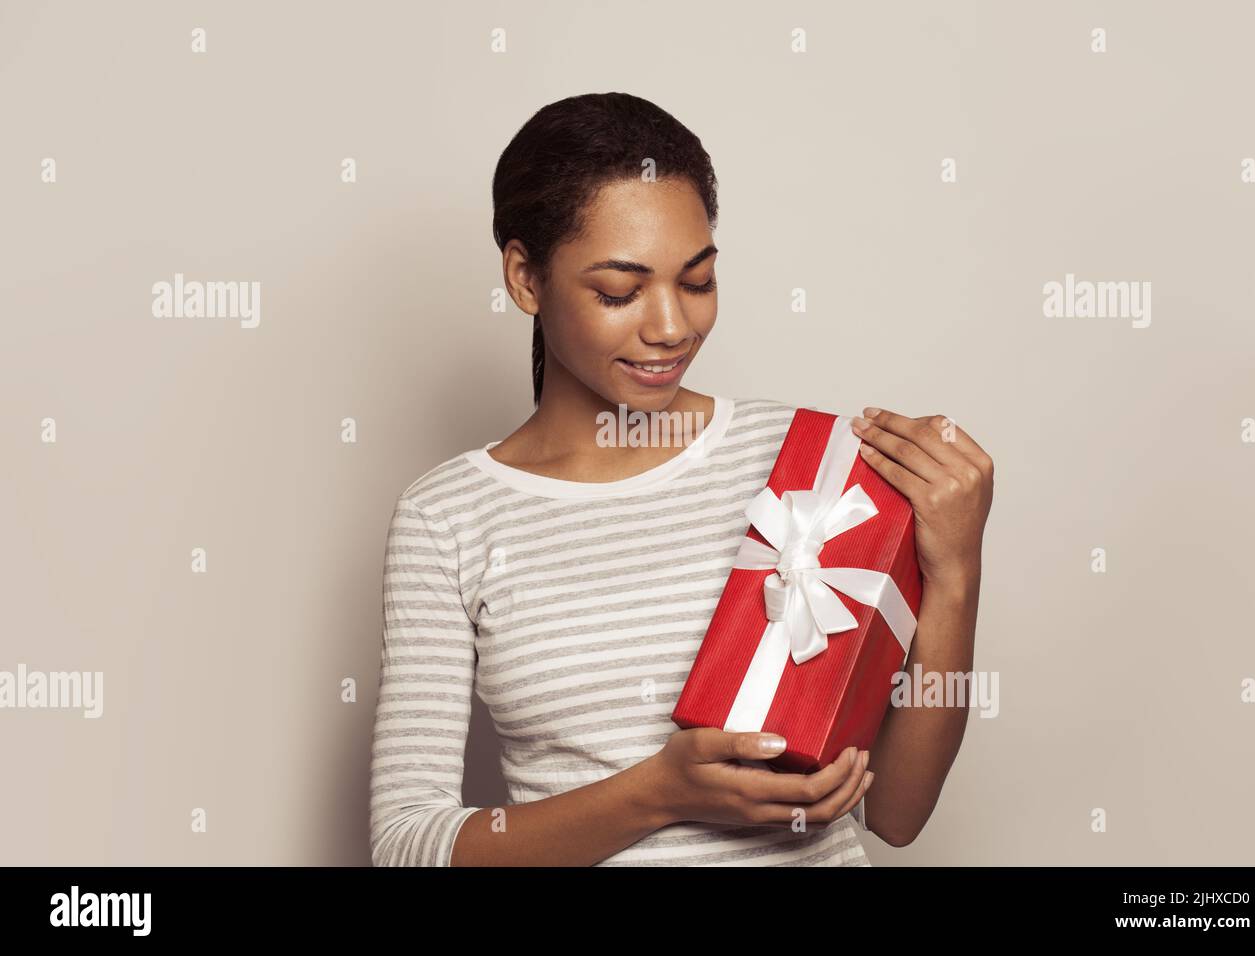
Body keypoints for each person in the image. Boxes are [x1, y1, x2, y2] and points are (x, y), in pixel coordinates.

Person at [368, 92, 994, 866]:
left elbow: (895, 812)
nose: (671, 327)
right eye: (619, 292)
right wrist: (660, 791)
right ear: (526, 277)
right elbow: (407, 846)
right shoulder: (448, 518)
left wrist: (957, 572)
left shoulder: (813, 460)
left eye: (697, 281)